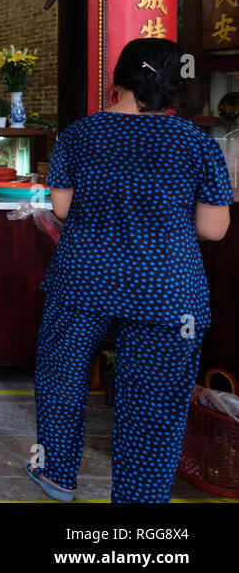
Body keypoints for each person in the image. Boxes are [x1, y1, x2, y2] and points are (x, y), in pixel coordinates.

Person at [29, 38, 232, 502]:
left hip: (84, 279)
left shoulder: (80, 135)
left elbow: (61, 208)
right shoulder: (198, 143)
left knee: (62, 377)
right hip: (167, 292)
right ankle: (139, 500)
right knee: (153, 405)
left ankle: (57, 474)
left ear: (116, 80)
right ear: (174, 88)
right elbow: (215, 228)